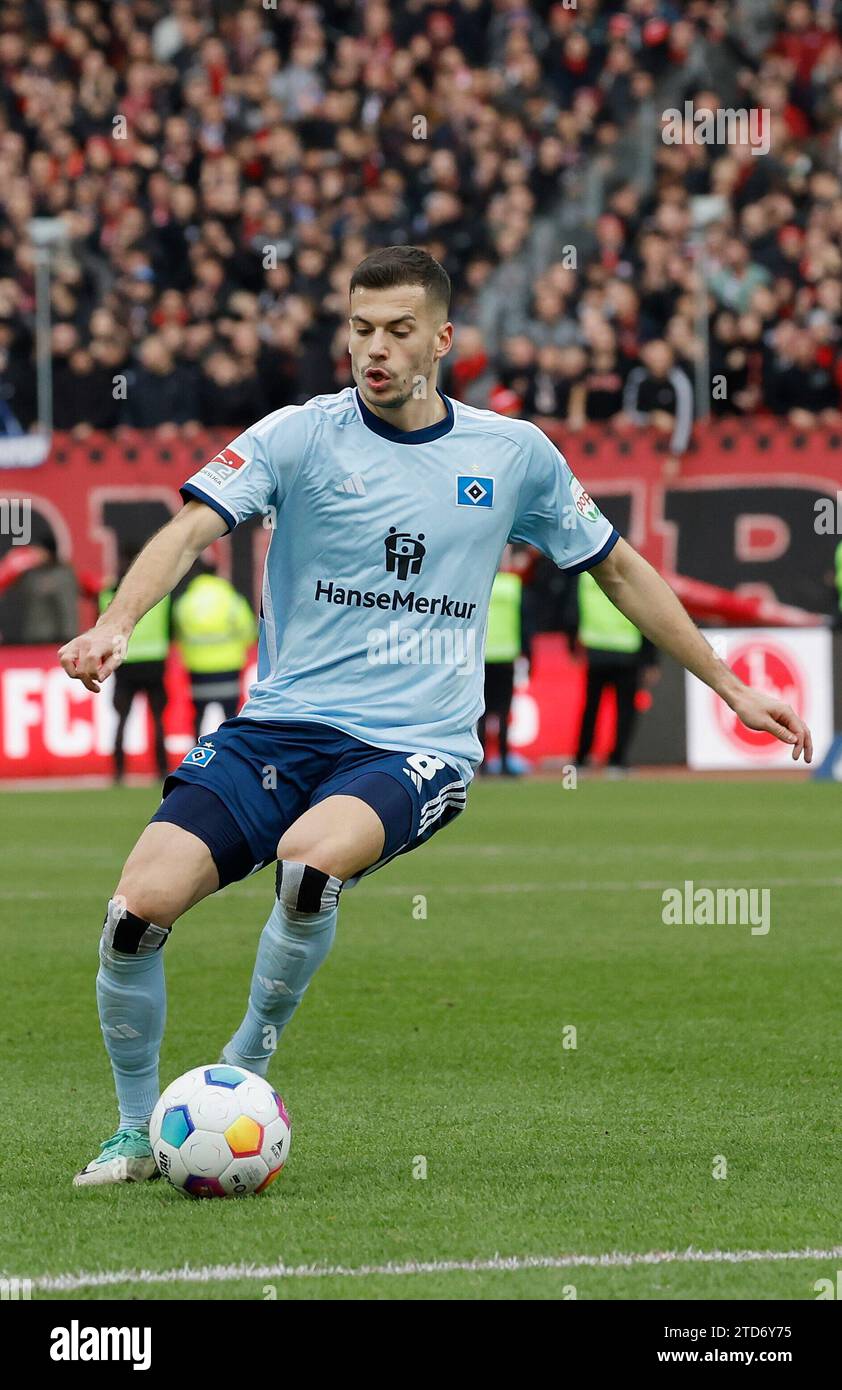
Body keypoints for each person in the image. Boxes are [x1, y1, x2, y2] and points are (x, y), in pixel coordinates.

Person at [59, 245, 812, 1187]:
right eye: (360, 328)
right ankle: (135, 1132)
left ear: (442, 339)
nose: (374, 349)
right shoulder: (298, 435)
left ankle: (247, 1059)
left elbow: (617, 566)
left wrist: (729, 684)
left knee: (307, 864)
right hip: (280, 729)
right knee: (135, 911)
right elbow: (191, 529)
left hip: (418, 746)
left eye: (398, 331)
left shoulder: (513, 454)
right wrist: (118, 621)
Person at [575, 570, 658, 776]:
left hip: (597, 650)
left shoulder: (586, 575)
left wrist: (572, 642)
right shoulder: (635, 575)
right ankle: (617, 761)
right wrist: (650, 659)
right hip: (627, 651)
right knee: (625, 711)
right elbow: (646, 617)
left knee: (592, 707)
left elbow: (571, 610)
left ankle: (582, 759)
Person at [99, 550, 171, 785]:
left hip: (125, 662)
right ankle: (162, 770)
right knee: (158, 720)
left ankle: (118, 773)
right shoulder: (159, 595)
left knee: (122, 719)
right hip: (153, 662)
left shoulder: (108, 596)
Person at [172, 558, 257, 737]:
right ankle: (232, 755)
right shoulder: (231, 599)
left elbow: (178, 632)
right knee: (231, 716)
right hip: (229, 665)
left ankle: (196, 755)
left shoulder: (185, 601)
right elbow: (248, 630)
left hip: (197, 667)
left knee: (198, 714)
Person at [478, 551, 523, 776]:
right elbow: (526, 621)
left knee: (482, 712)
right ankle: (504, 760)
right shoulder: (513, 585)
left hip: (482, 657)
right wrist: (527, 653)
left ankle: (483, 762)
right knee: (503, 712)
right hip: (506, 656)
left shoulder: (477, 584)